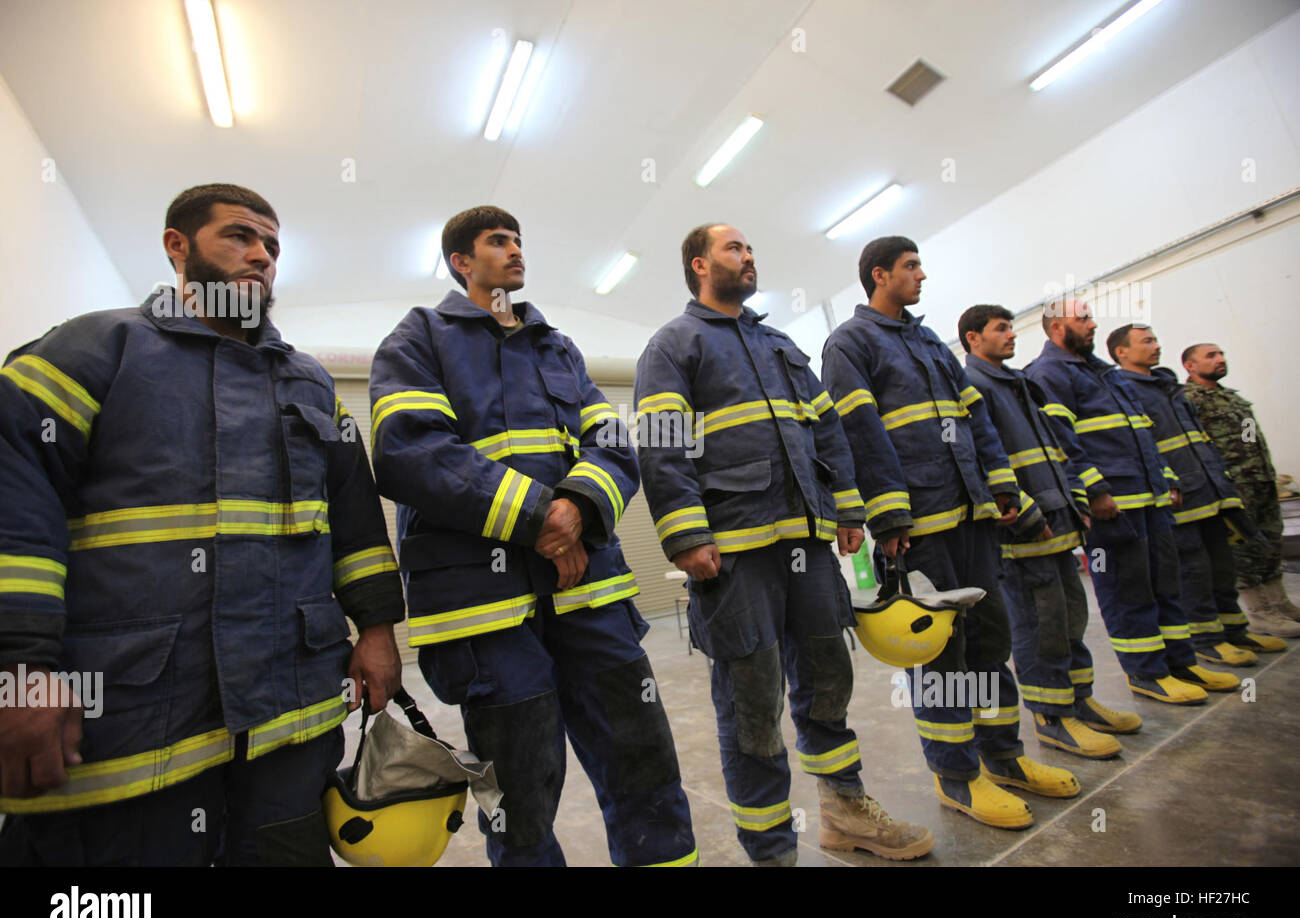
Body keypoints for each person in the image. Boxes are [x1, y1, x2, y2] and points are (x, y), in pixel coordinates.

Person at [0, 184, 404, 865]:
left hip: (289, 716)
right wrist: (21, 669)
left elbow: (356, 522)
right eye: (240, 237)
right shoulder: (94, 350)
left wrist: (377, 630)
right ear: (176, 246)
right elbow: (14, 514)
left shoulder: (307, 383)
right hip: (132, 723)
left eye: (272, 247)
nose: (261, 256)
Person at [368, 206, 697, 867]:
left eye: (518, 239)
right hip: (485, 615)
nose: (515, 250)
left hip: (590, 596)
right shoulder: (420, 338)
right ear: (461, 261)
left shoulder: (556, 345)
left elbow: (611, 442)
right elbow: (410, 450)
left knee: (643, 759)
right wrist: (543, 517)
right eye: (497, 241)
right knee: (519, 793)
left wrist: (576, 506)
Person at [635, 223, 933, 865]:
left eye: (750, 246)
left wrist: (847, 507)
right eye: (734, 248)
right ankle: (771, 850)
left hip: (809, 545)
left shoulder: (778, 344)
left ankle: (845, 813)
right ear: (699, 264)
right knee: (753, 703)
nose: (748, 255)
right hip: (735, 553)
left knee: (828, 679)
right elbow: (662, 444)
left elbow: (827, 430)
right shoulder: (673, 344)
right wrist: (686, 533)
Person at [822, 237, 1079, 832]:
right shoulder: (850, 344)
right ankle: (957, 777)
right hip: (920, 528)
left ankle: (1005, 758)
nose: (921, 275)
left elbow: (976, 417)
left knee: (990, 644)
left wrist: (1000, 484)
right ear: (879, 275)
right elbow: (860, 431)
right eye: (911, 266)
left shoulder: (927, 340)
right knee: (942, 655)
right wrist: (887, 517)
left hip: (973, 518)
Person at [1024, 299, 1234, 705]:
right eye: (1082, 319)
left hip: (1151, 499)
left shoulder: (1105, 374)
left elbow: (1144, 430)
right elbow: (1059, 440)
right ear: (1055, 329)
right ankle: (1147, 672)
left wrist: (1167, 478)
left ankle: (1180, 661)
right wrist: (1094, 491)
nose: (1092, 324)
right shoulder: (1048, 374)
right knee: (1127, 589)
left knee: (1165, 584)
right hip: (1113, 505)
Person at [959, 305, 1142, 759]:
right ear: (971, 339)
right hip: (1025, 529)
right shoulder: (974, 387)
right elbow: (985, 460)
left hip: (1059, 519)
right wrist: (1023, 514)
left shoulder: (1020, 383)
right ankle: (1052, 717)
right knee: (1041, 625)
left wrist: (1075, 500)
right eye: (1000, 329)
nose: (1010, 335)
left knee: (1071, 617)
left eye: (1010, 327)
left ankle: (1079, 701)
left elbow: (1055, 447)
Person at [1111, 325, 1284, 666]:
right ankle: (1206, 638)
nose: (1156, 346)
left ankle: (1234, 629)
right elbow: (1141, 445)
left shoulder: (1168, 387)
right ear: (1122, 353)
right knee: (1194, 570)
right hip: (1179, 496)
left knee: (1221, 565)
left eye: (1156, 339)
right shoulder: (1125, 391)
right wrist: (1166, 482)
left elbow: (1198, 438)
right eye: (1147, 342)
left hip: (1208, 489)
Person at [1182, 343, 1300, 637]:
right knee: (1246, 549)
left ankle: (1279, 603)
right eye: (1211, 356)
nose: (1220, 359)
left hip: (1260, 480)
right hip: (1233, 485)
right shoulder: (1189, 400)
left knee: (1271, 541)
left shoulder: (1231, 397)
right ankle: (1260, 612)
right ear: (1190, 366)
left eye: (1221, 354)